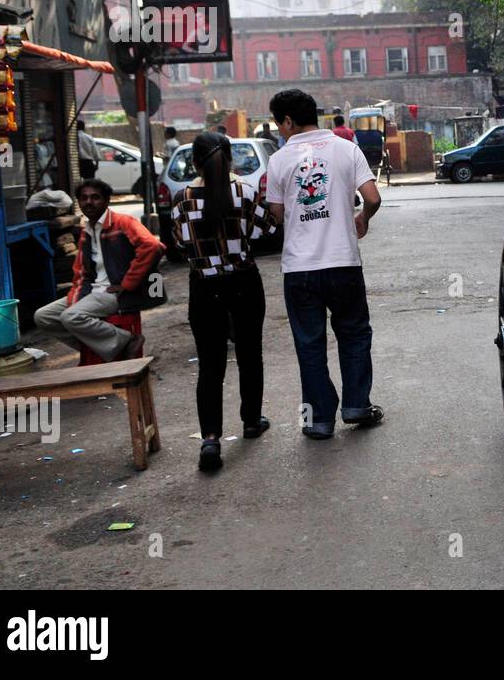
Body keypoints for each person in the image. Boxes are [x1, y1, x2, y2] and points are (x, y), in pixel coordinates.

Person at [265, 89, 383, 440]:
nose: (279, 131)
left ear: (288, 121)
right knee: (354, 333)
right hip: (343, 262)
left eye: (278, 124)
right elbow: (373, 197)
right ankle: (356, 405)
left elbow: (277, 213)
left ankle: (318, 420)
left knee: (310, 343)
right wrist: (362, 217)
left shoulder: (279, 159)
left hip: (300, 269)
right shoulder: (347, 149)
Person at [171, 132, 278, 472]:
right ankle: (250, 421)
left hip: (204, 288)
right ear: (230, 160)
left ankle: (211, 439)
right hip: (244, 284)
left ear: (195, 162)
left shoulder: (182, 199)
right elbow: (267, 230)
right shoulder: (244, 193)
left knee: (210, 365)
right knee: (249, 355)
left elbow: (179, 244)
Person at [33, 179, 164, 362]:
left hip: (115, 293)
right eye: (84, 198)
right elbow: (80, 272)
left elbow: (153, 246)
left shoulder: (123, 222)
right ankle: (98, 347)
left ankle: (127, 341)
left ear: (106, 200)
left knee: (71, 317)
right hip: (92, 290)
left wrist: (127, 283)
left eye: (95, 197)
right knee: (44, 316)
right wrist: (74, 299)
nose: (89, 202)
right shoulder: (87, 231)